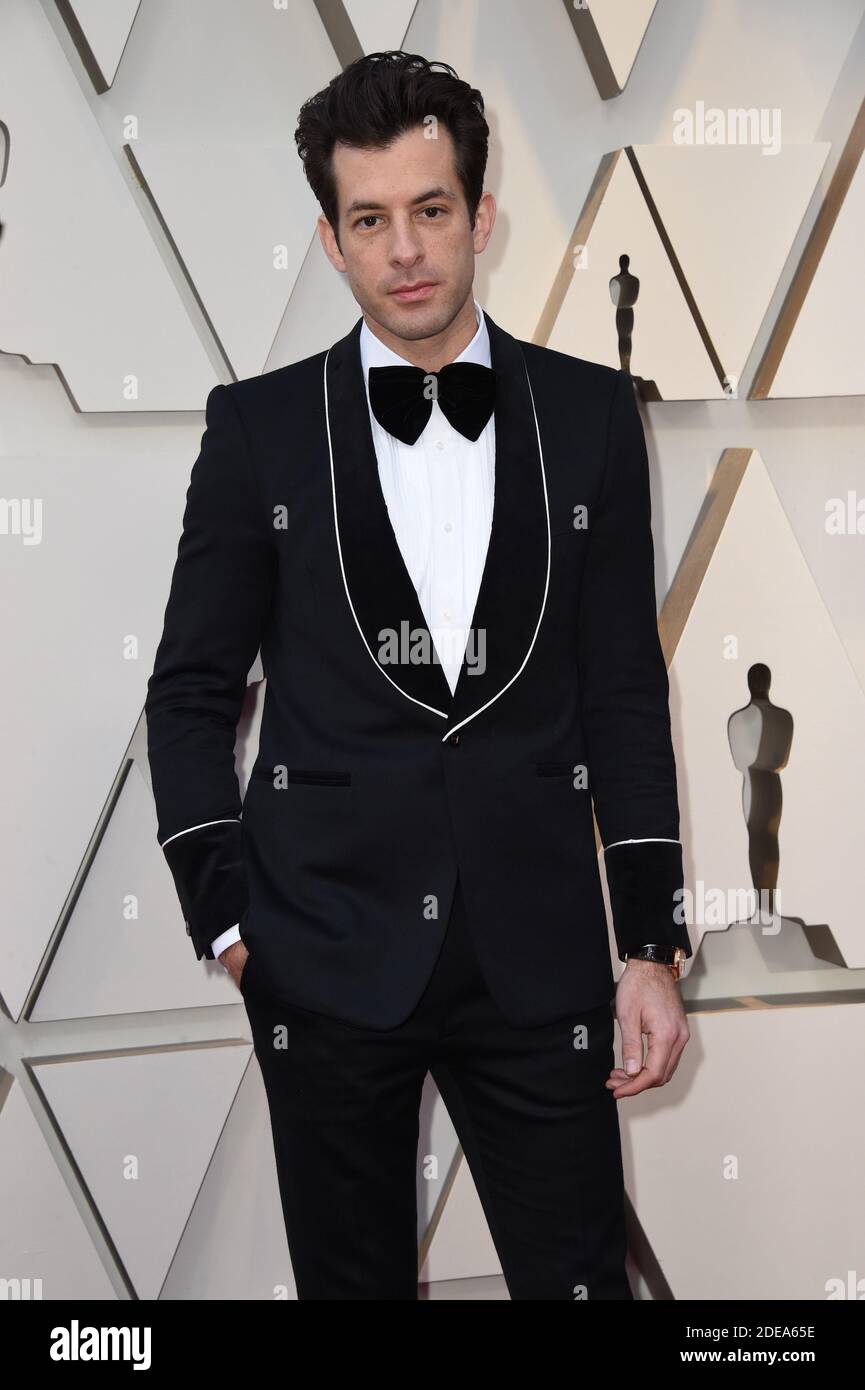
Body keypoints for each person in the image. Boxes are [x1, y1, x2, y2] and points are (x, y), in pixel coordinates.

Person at [145, 50, 692, 1301]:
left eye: (431, 210)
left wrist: (651, 943)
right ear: (332, 242)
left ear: (481, 218)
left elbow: (621, 691)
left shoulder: (593, 418)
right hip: (323, 961)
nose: (405, 250)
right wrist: (230, 926)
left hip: (539, 960)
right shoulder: (258, 430)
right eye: (370, 220)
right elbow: (187, 696)